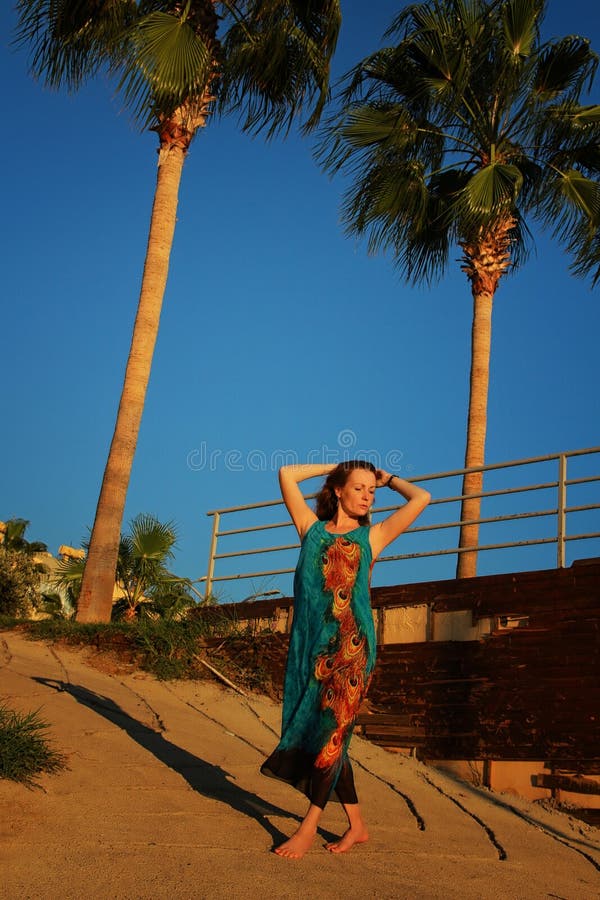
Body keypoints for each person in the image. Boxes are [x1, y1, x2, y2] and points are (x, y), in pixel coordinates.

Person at [260, 460, 431, 859]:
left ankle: (308, 827)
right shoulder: (310, 529)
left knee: (332, 735)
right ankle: (358, 826)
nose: (368, 496)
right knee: (328, 736)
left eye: (372, 490)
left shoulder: (374, 536)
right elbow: (286, 474)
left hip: (352, 651)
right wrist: (337, 466)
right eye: (359, 488)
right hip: (310, 650)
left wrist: (389, 480)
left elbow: (421, 497)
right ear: (338, 490)